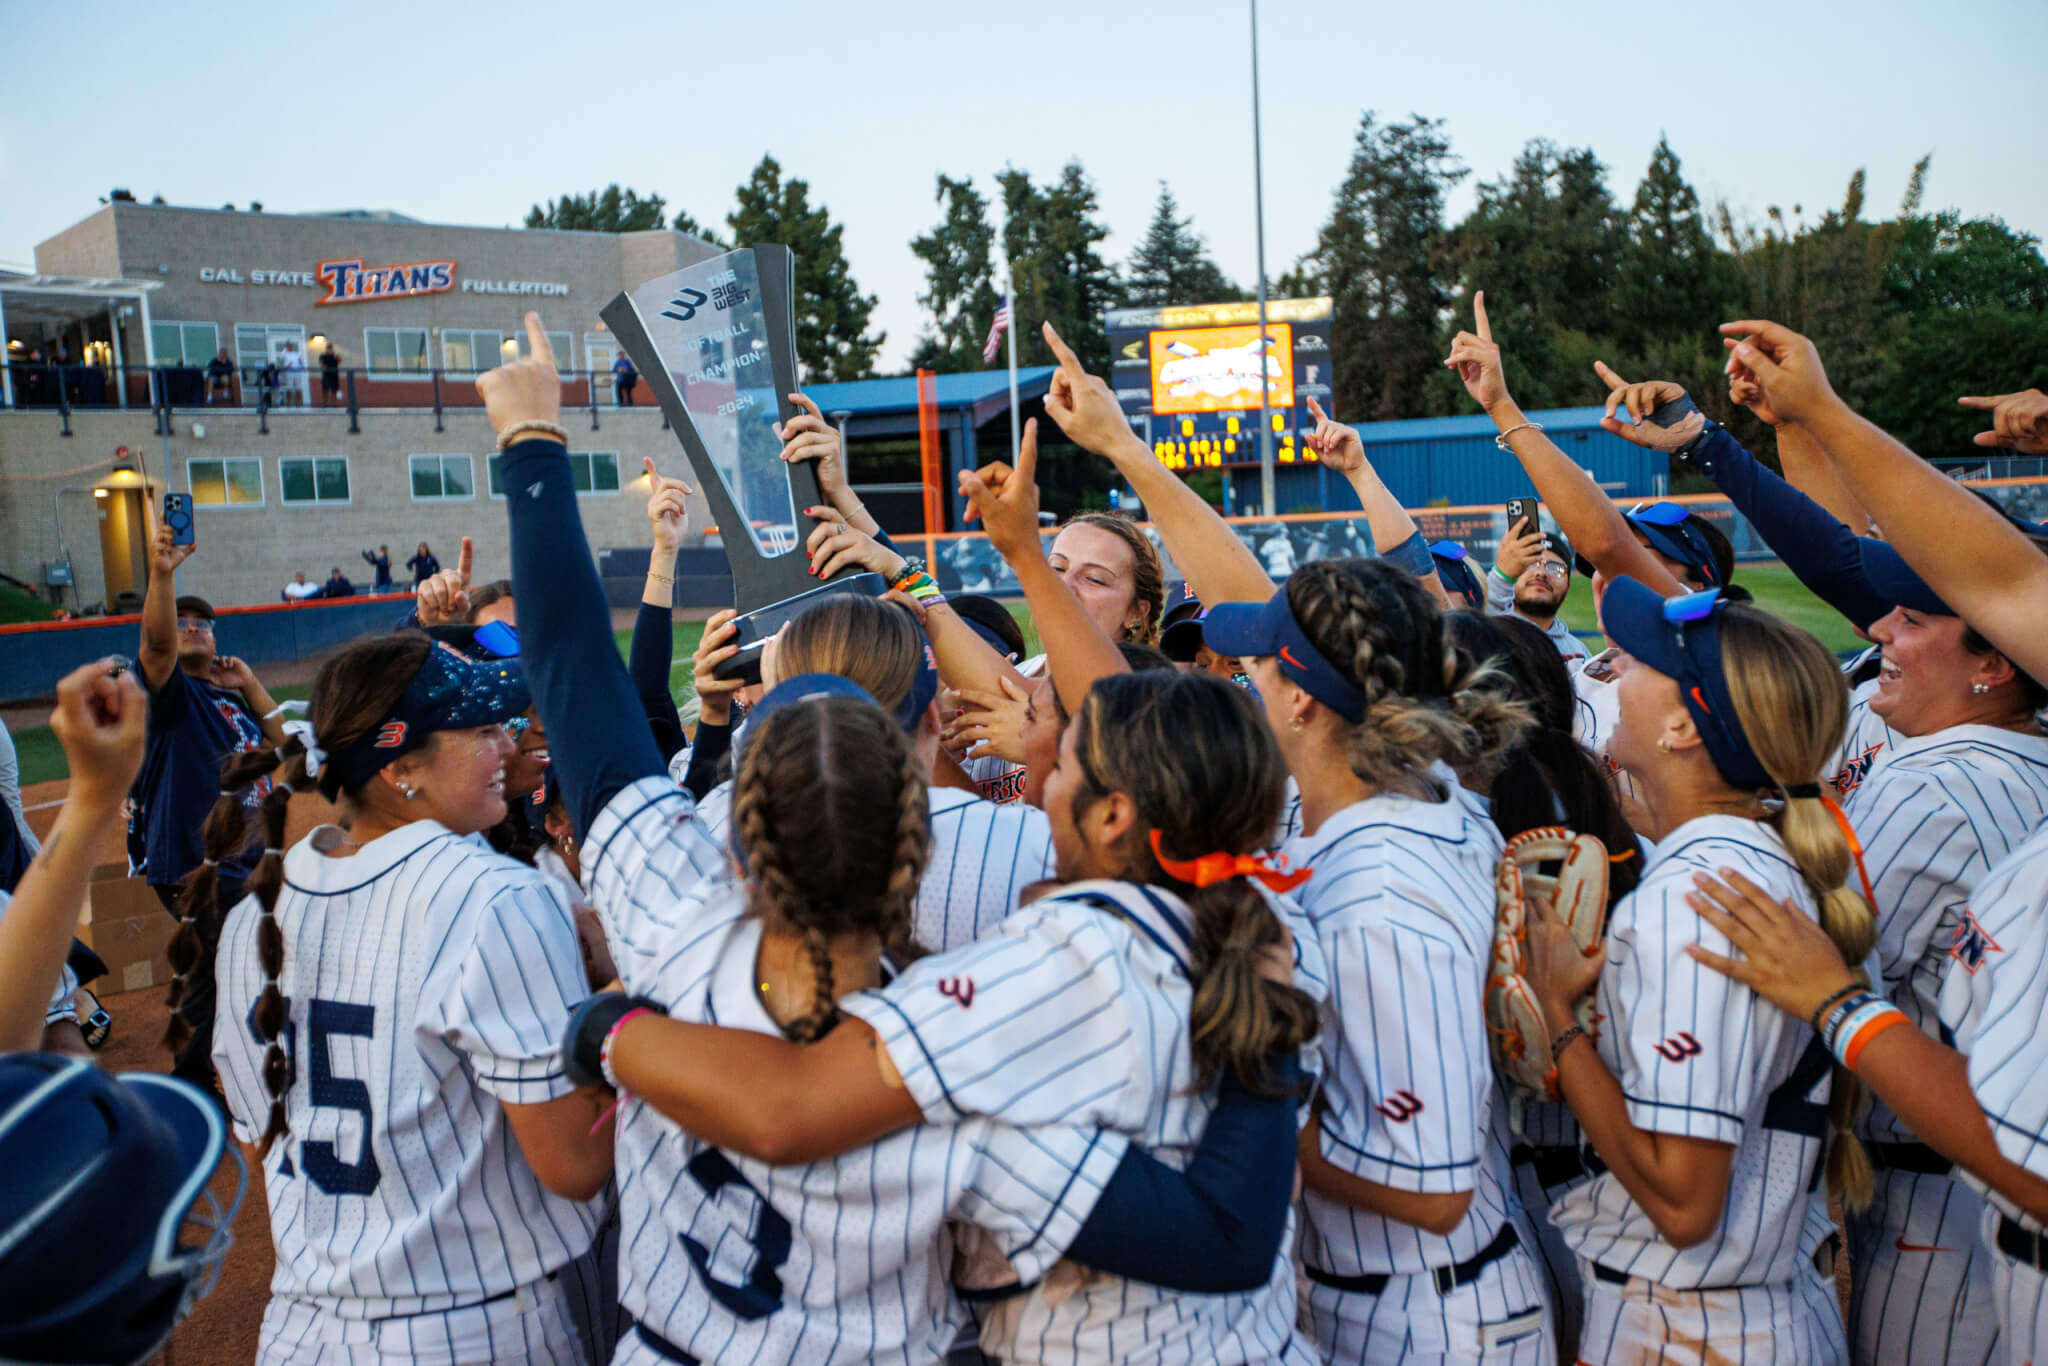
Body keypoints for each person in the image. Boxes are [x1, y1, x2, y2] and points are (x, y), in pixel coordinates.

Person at [479, 314, 1323, 1363]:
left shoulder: (675, 905)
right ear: (917, 830)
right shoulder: (959, 1068)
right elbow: (1221, 1233)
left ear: (740, 829)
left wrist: (531, 445)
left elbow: (576, 681)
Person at [204, 632, 615, 1363]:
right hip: (470, 1328)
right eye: (484, 730)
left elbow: (257, 1135)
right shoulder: (496, 897)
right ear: (400, 768)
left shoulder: (251, 919)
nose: (508, 743)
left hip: (300, 1329)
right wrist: (632, 1004)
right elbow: (576, 1167)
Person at [1202, 559, 1557, 1363]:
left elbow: (1431, 1193)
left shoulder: (1378, 896)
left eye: (1257, 660)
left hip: (1426, 1315)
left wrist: (1256, 1126)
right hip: (1437, 1290)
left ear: (1299, 698)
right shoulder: (1429, 793)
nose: (1242, 674)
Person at [1516, 577, 1869, 1364]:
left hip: (1692, 1328)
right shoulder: (1755, 856)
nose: (1614, 669)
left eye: (1640, 662)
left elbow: (1684, 1201)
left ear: (1682, 726)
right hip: (1738, 1310)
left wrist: (1558, 1018)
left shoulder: (1690, 897)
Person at [136, 523, 285, 1088]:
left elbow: (285, 752)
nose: (194, 628)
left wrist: (248, 685)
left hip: (238, 863)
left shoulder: (227, 700)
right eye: (184, 624)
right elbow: (153, 647)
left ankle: (201, 1081)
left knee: (219, 973)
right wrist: (162, 573)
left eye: (204, 625)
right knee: (222, 973)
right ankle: (197, 1085)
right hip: (199, 865)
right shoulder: (171, 696)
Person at [1486, 518, 1585, 667]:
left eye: (1555, 568)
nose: (1541, 572)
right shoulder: (1488, 632)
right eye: (1531, 564)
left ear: (1567, 587)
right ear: (1515, 573)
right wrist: (1502, 574)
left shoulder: (1579, 653)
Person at [318, 340, 341, 405]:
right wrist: (324, 367)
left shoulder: (335, 355)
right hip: (326, 376)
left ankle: (334, 405)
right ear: (326, 349)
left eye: (330, 348)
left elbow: (340, 361)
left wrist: (336, 355)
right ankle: (325, 404)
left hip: (334, 376)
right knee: (325, 390)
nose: (329, 349)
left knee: (334, 391)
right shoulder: (323, 355)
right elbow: (321, 364)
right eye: (328, 348)